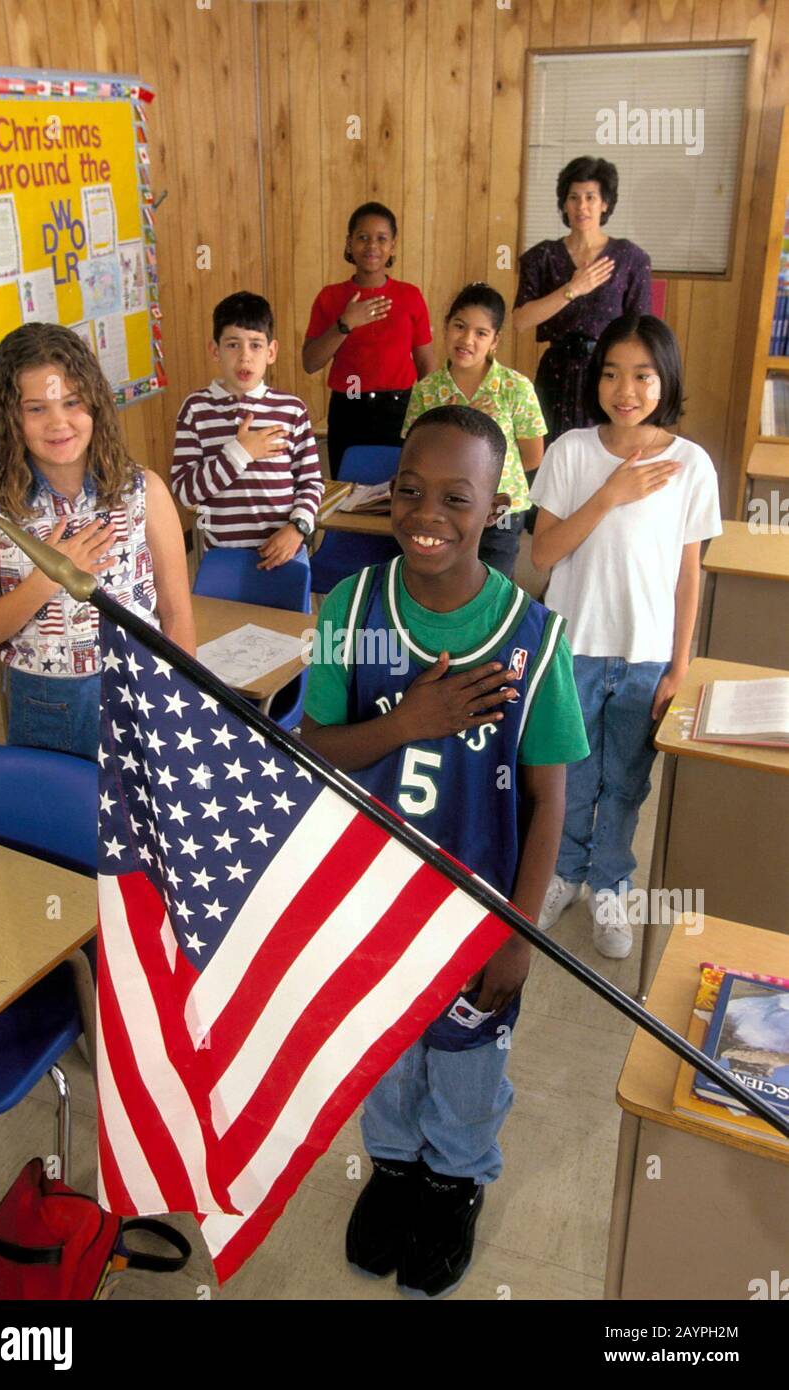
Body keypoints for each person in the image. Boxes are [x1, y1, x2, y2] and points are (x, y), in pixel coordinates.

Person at [299, 404, 588, 1298]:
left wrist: (520, 933)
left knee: (464, 1069)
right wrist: (411, 720)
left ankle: (452, 1180)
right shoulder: (352, 609)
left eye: (455, 498)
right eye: (411, 492)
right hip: (371, 905)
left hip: (476, 915)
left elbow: (546, 802)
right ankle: (392, 1166)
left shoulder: (534, 639)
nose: (428, 514)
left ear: (495, 506)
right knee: (383, 1052)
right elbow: (310, 748)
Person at [529, 314, 722, 959]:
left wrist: (680, 664)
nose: (626, 389)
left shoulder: (691, 464)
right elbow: (544, 553)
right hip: (572, 649)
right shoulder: (571, 452)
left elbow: (687, 573)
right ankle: (565, 873)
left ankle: (612, 885)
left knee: (627, 783)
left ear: (665, 379)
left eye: (642, 375)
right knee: (571, 776)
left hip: (645, 658)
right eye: (611, 373)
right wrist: (608, 495)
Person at [0, 323, 195, 761]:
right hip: (47, 706)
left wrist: (178, 705)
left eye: (71, 402)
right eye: (37, 408)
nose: (58, 422)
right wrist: (46, 580)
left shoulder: (144, 491)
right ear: (12, 417)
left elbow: (177, 616)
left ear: (95, 405)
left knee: (142, 828)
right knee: (60, 826)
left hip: (144, 692)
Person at [402, 282, 546, 578]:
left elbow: (532, 457)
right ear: (445, 327)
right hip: (443, 509)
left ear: (495, 340)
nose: (467, 339)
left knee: (493, 589)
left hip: (500, 511)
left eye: (481, 333)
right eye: (459, 326)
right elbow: (414, 455)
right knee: (444, 583)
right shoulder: (427, 390)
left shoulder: (515, 388)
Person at [172, 291, 323, 564]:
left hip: (285, 552)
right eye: (232, 345)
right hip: (222, 558)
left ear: (271, 351)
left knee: (284, 609)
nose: (244, 357)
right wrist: (239, 453)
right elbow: (185, 491)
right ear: (214, 350)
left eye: (255, 345)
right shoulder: (195, 409)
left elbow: (311, 482)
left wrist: (298, 528)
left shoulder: (291, 409)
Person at [512, 156, 652, 443]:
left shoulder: (630, 258)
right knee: (551, 454)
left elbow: (642, 329)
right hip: (556, 372)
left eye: (591, 197)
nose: (582, 206)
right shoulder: (542, 257)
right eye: (573, 197)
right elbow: (519, 321)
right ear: (564, 204)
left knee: (602, 452)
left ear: (605, 203)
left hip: (607, 372)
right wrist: (573, 289)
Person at [302, 202, 435, 478]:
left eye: (381, 238)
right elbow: (310, 362)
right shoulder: (330, 297)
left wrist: (432, 415)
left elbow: (426, 363)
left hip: (402, 410)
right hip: (349, 406)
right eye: (362, 237)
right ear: (349, 243)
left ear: (393, 246)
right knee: (349, 493)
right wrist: (345, 323)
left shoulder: (410, 296)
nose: (371, 245)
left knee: (401, 490)